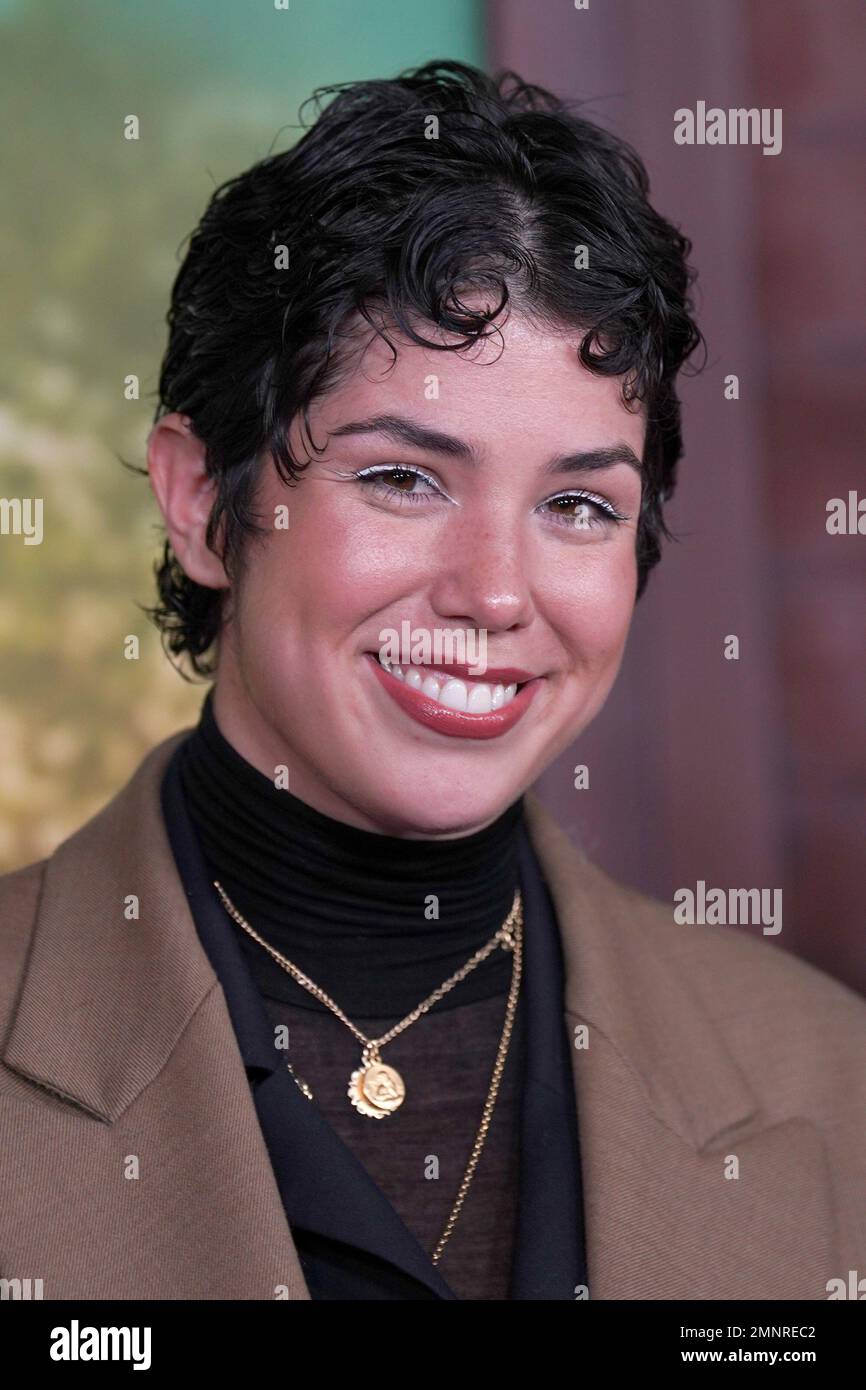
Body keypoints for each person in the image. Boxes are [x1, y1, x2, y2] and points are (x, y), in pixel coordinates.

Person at [1, 60, 863, 1303]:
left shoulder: (824, 1080)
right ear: (203, 502)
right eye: (403, 478)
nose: (494, 592)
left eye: (575, 503)